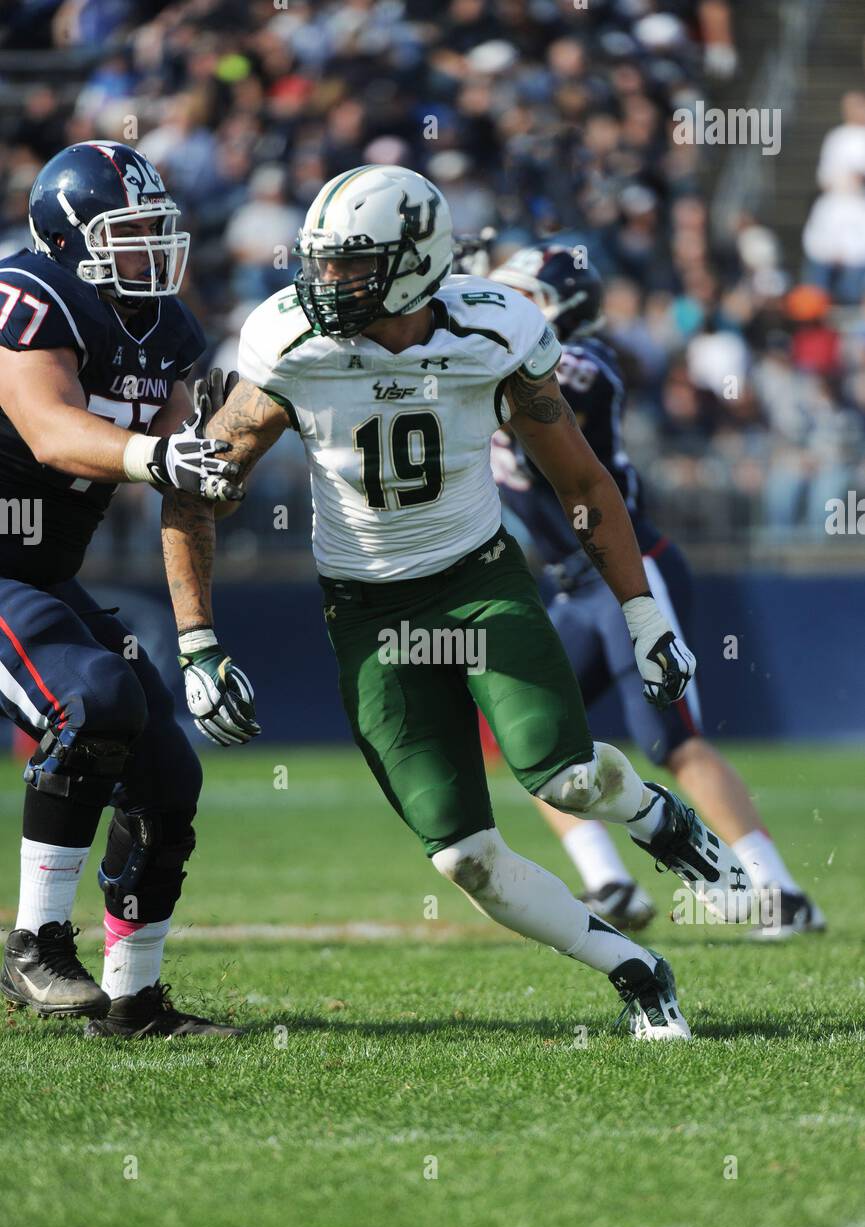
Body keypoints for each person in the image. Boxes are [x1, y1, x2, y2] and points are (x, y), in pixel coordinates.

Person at [169, 165, 757, 1041]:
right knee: (462, 858)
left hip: (476, 584)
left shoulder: (495, 330)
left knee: (562, 775)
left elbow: (581, 480)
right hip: (365, 612)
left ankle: (648, 813)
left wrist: (643, 612)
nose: (324, 282)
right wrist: (196, 641)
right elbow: (197, 494)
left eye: (349, 264)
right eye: (323, 263)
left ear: (413, 264)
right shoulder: (289, 343)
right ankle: (633, 967)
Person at [484, 242, 825, 942]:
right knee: (528, 734)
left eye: (521, 296)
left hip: (628, 571)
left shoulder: (582, 366)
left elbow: (544, 381)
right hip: (572, 583)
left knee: (670, 741)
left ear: (557, 311)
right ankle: (607, 879)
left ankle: (779, 891)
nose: (503, 309)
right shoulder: (492, 361)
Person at [0, 140, 256, 1038]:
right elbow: (48, 431)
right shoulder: (29, 293)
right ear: (68, 240)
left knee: (165, 768)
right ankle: (33, 943)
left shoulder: (170, 330)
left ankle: (133, 1000)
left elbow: (190, 489)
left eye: (156, 230)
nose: (150, 250)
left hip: (36, 570)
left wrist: (197, 640)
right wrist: (155, 453)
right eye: (128, 232)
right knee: (95, 698)